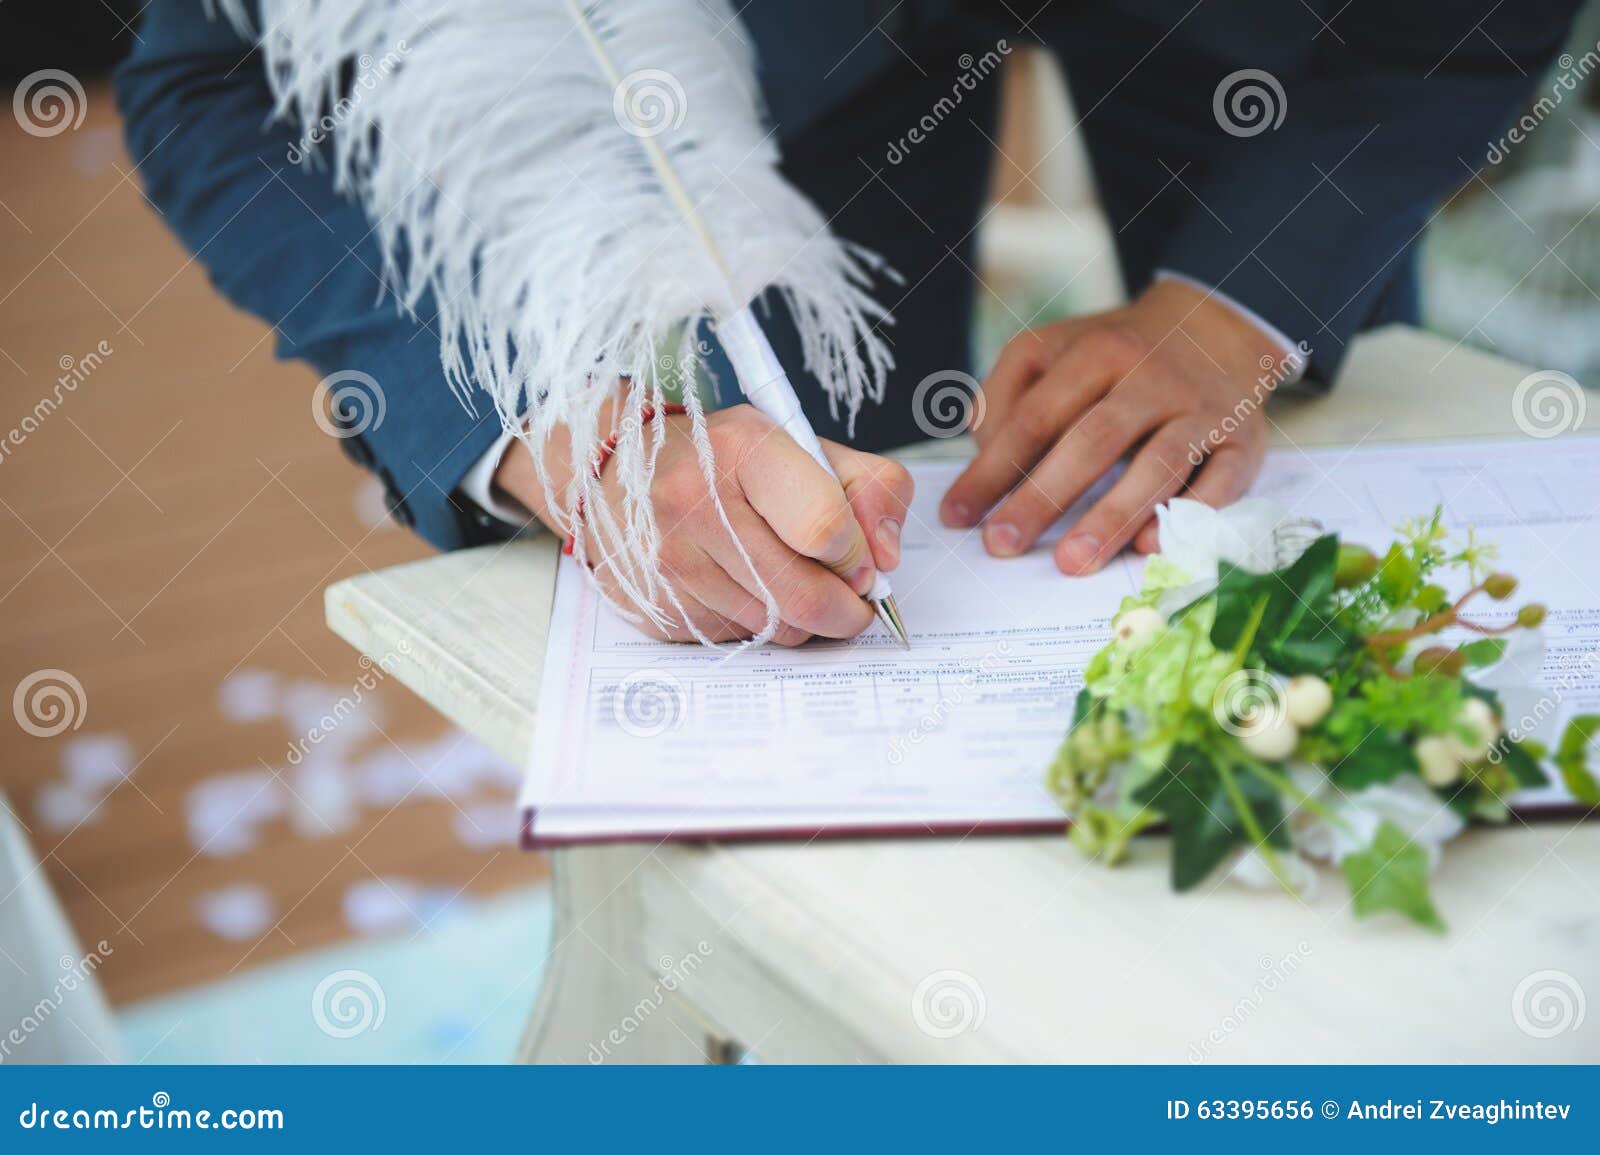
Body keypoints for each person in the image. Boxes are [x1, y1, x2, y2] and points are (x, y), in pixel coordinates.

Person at [115, 0, 1580, 643]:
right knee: (801, 544)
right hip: (766, 58)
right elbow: (212, 85)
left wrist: (1236, 305)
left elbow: (1462, 13)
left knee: (1292, 493)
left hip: (1257, 41)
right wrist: (570, 439)